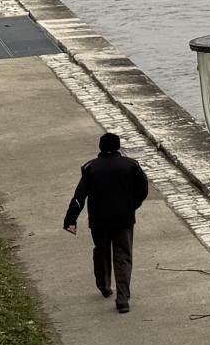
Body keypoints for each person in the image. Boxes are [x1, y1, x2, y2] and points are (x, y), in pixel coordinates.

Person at [63, 130, 151, 312]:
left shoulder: (90, 168)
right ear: (118, 146)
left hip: (99, 220)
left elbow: (79, 197)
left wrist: (70, 219)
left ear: (100, 147)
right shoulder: (131, 165)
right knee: (123, 256)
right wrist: (132, 206)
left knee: (101, 252)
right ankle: (122, 299)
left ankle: (104, 285)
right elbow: (143, 190)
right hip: (123, 219)